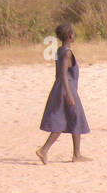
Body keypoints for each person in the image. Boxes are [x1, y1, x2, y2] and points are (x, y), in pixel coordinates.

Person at [36, 22, 89, 164]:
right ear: (70, 36)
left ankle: (75, 154)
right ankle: (45, 150)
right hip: (67, 89)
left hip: (60, 88)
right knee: (72, 119)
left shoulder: (59, 51)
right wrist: (69, 94)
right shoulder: (66, 53)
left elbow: (57, 75)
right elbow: (64, 74)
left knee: (66, 119)